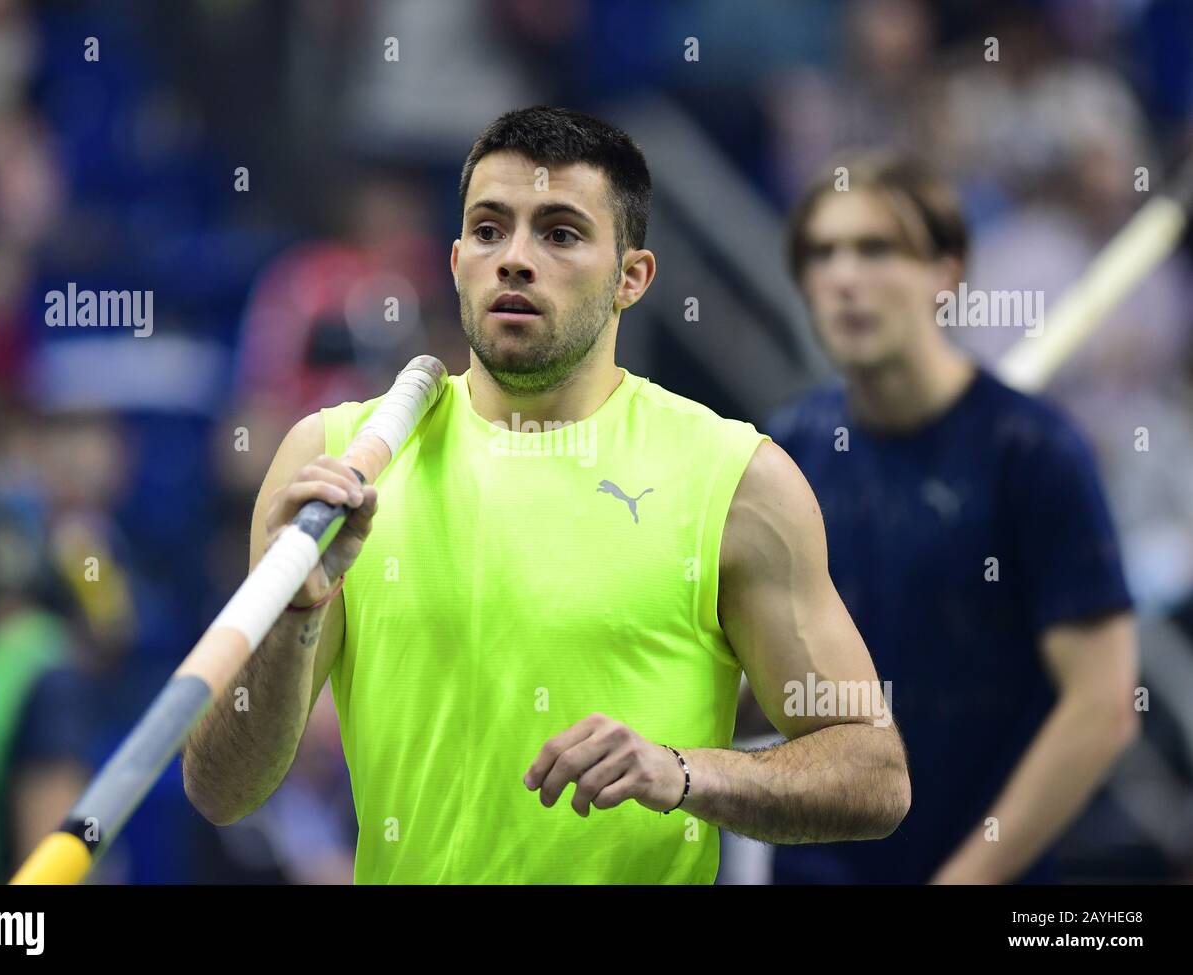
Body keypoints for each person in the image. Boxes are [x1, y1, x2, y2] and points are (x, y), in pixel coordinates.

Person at [182, 107, 910, 884]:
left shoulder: (735, 479)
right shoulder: (336, 465)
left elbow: (874, 771)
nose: (515, 259)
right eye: (490, 230)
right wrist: (297, 617)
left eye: (560, 233)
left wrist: (686, 773)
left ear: (633, 277)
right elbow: (221, 789)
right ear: (457, 259)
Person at [767, 152, 1138, 884]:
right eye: (821, 253)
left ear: (947, 272)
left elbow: (1102, 705)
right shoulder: (784, 452)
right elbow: (758, 685)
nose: (844, 277)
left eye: (877, 248)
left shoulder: (1034, 452)